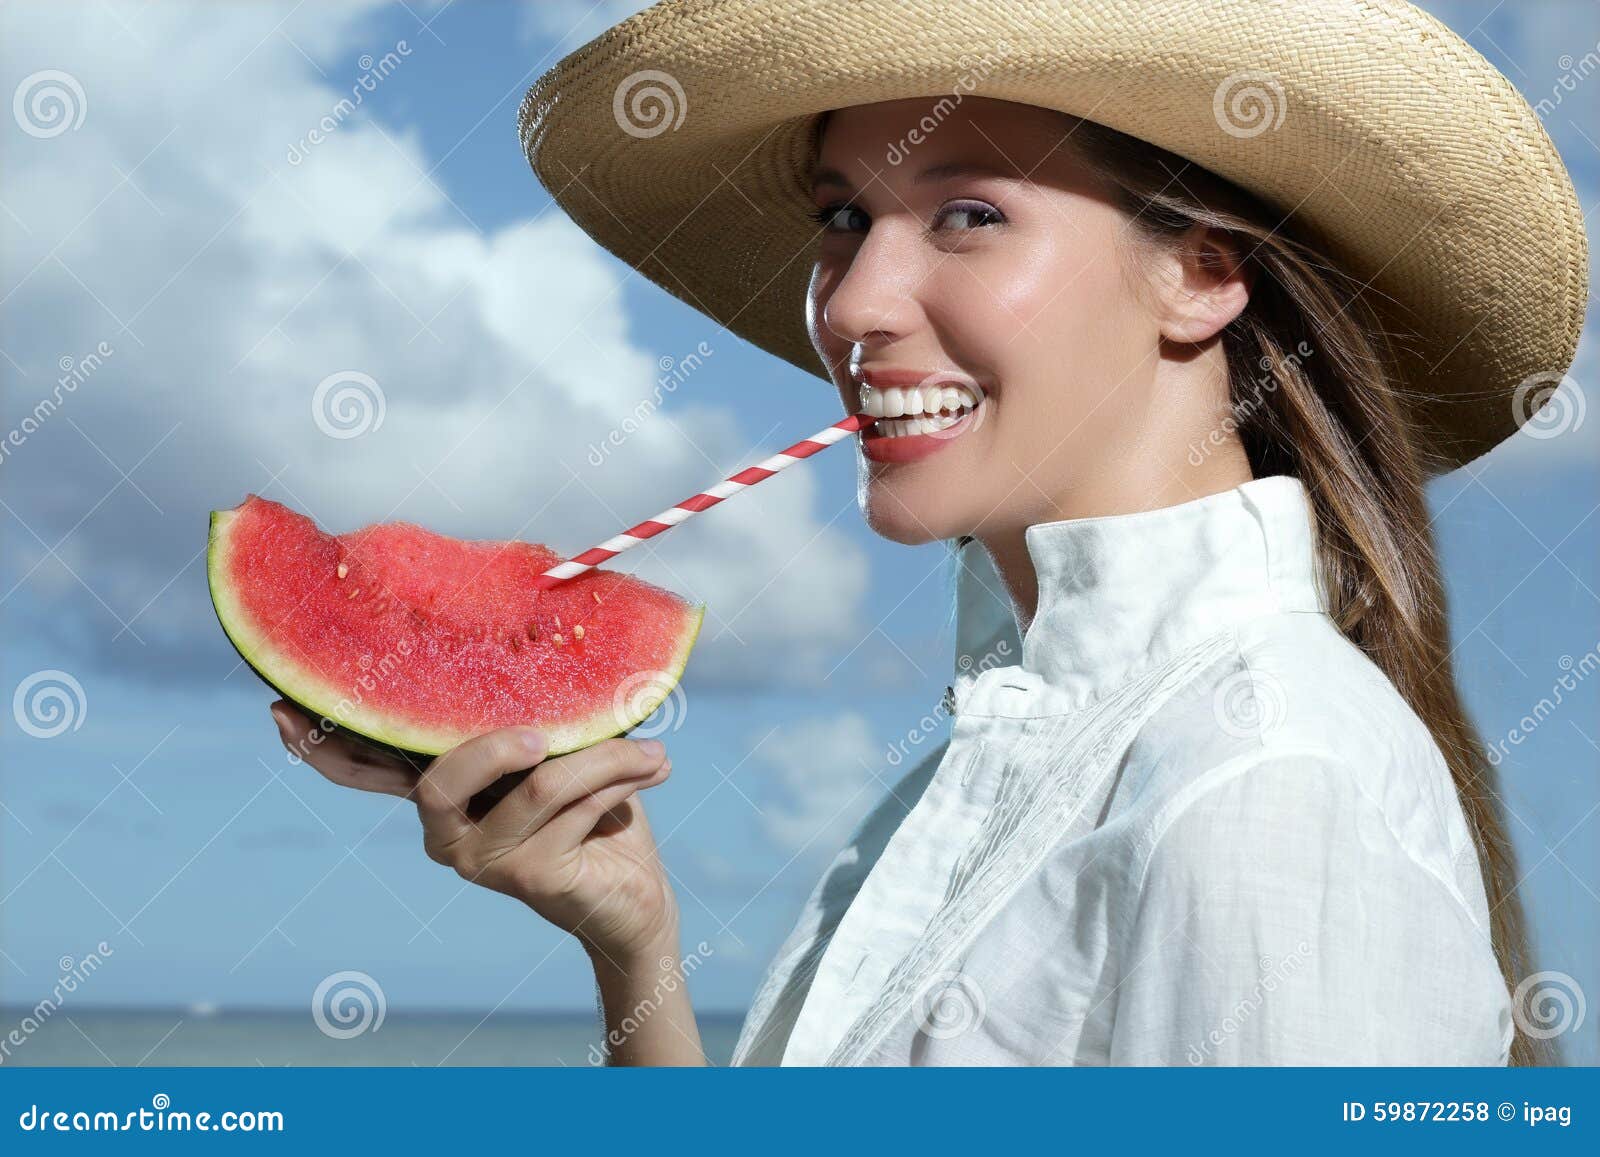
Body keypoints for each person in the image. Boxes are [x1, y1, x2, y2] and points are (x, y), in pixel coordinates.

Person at [274, 0, 1588, 1065]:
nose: (853, 304)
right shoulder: (1001, 762)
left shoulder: (1266, 778)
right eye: (843, 219)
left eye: (969, 214)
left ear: (1201, 272)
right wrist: (635, 947)